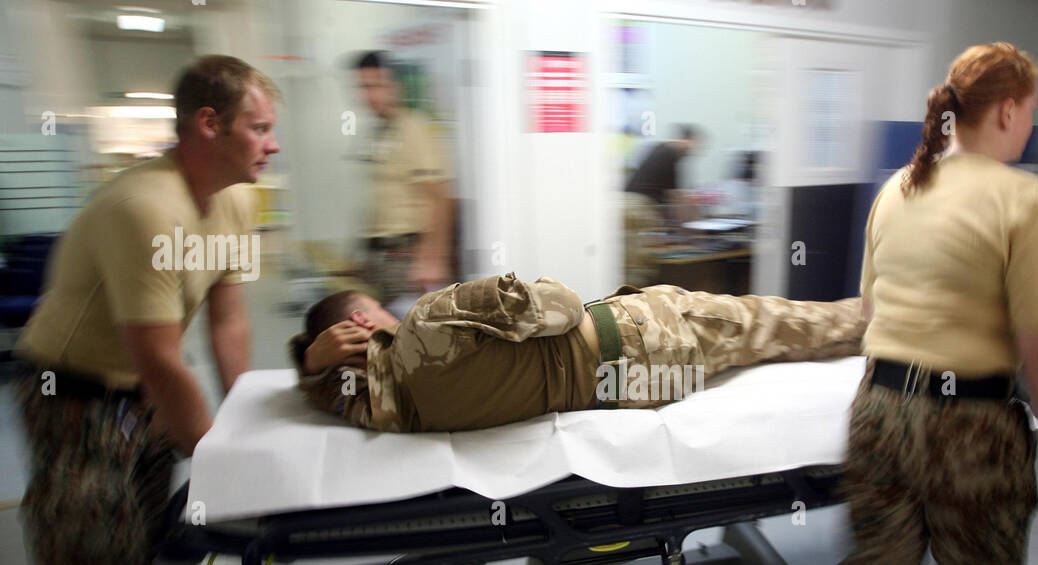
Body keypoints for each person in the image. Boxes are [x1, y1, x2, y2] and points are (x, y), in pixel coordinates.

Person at [721, 42, 1038, 565]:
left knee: (878, 563)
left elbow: (870, 308)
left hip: (880, 408)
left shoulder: (897, 189)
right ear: (1010, 111)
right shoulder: (1028, 199)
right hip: (971, 427)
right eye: (1028, 113)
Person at [14, 55, 277, 565]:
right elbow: (163, 358)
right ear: (208, 124)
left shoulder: (233, 198)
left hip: (140, 388)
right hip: (68, 394)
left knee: (129, 548)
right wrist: (222, 461)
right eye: (260, 128)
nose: (272, 143)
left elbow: (226, 320)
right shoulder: (143, 207)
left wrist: (240, 427)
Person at [289, 274, 865, 432]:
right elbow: (561, 305)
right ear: (364, 322)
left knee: (763, 348)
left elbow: (323, 396)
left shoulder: (386, 410)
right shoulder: (426, 323)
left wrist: (313, 364)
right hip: (645, 339)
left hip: (629, 394)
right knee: (783, 323)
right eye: (376, 308)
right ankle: (890, 323)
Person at [354, 50, 455, 311]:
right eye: (363, 87)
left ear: (394, 87)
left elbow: (440, 196)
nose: (368, 96)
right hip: (384, 256)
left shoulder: (414, 128)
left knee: (411, 338)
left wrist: (434, 258)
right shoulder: (380, 131)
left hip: (409, 255)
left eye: (375, 86)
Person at [622, 125, 702, 285]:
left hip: (627, 203)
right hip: (637, 207)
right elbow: (676, 198)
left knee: (631, 262)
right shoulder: (672, 154)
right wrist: (692, 230)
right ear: (688, 140)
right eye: (696, 145)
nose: (694, 151)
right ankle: (637, 302)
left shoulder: (660, 148)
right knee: (641, 268)